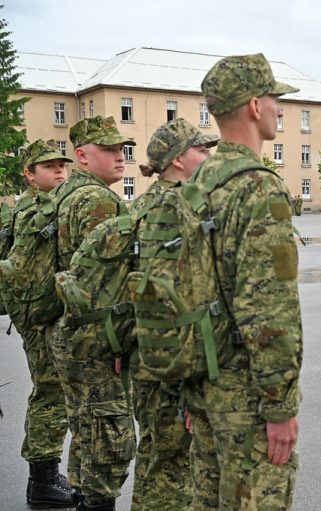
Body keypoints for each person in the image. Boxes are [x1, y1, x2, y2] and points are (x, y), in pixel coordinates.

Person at [184, 53, 303, 510]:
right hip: (246, 397)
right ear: (254, 105)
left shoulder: (197, 184)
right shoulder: (258, 187)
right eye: (275, 99)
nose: (279, 109)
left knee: (210, 501)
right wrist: (280, 406)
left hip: (201, 384)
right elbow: (269, 310)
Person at [46, 116, 137, 511]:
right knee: (110, 433)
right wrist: (117, 341)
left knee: (87, 428)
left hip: (68, 330)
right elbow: (105, 281)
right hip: (93, 334)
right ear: (82, 156)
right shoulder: (98, 200)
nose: (121, 156)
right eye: (110, 150)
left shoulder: (65, 194)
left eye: (122, 149)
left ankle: (85, 498)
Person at [130, 119, 219, 511]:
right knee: (173, 467)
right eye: (202, 150)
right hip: (173, 364)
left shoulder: (142, 204)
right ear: (179, 159)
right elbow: (174, 300)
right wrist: (190, 383)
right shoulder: (177, 208)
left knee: (153, 455)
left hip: (147, 355)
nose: (209, 157)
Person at [11, 140, 76, 508]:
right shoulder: (37, 211)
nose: (59, 170)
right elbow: (33, 274)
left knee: (50, 391)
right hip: (39, 315)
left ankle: (46, 475)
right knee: (50, 393)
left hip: (38, 312)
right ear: (29, 174)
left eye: (61, 164)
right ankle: (43, 480)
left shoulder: (43, 206)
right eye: (48, 165)